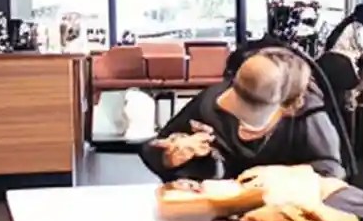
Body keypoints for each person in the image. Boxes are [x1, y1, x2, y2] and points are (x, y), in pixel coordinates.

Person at [140, 47, 346, 183]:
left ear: (288, 106)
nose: (231, 108)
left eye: (253, 105)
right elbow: (153, 149)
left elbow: (332, 171)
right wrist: (170, 157)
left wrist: (279, 175)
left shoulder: (307, 115)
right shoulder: (210, 104)